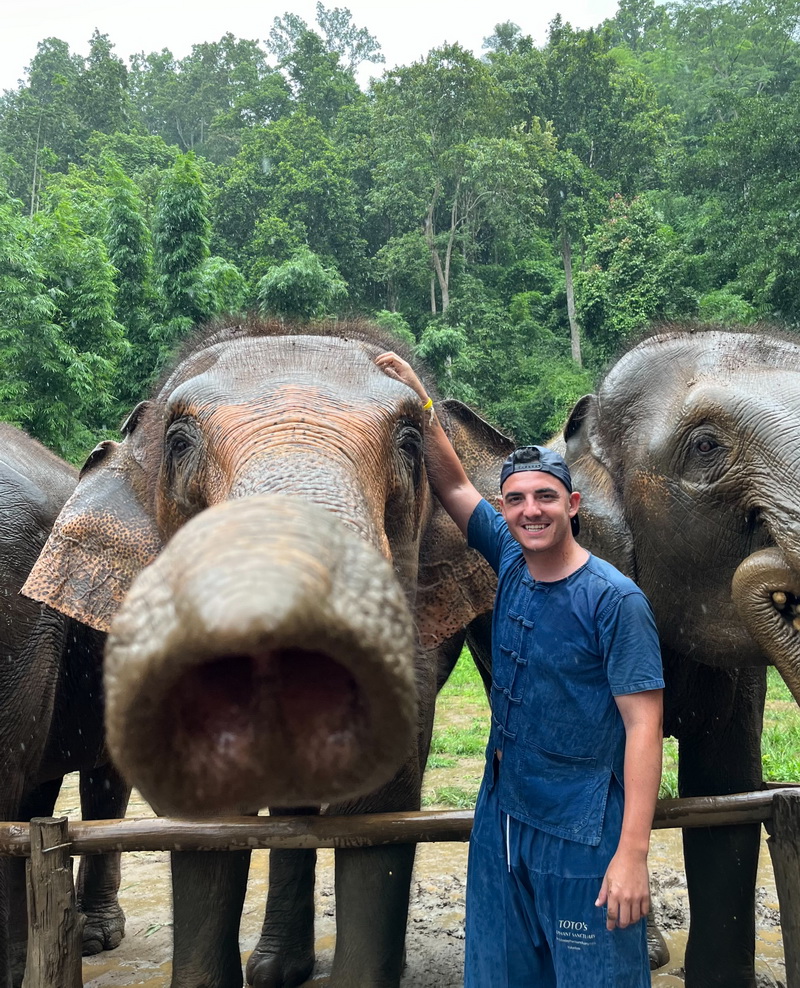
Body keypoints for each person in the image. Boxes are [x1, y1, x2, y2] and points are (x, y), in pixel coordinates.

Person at [375, 351, 664, 988]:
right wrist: (422, 401)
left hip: (585, 827)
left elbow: (644, 727)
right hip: (501, 816)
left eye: (544, 498)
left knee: (594, 978)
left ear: (573, 505)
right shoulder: (508, 555)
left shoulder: (616, 600)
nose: (530, 511)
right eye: (516, 500)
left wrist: (633, 855)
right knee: (502, 972)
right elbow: (452, 487)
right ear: (504, 511)